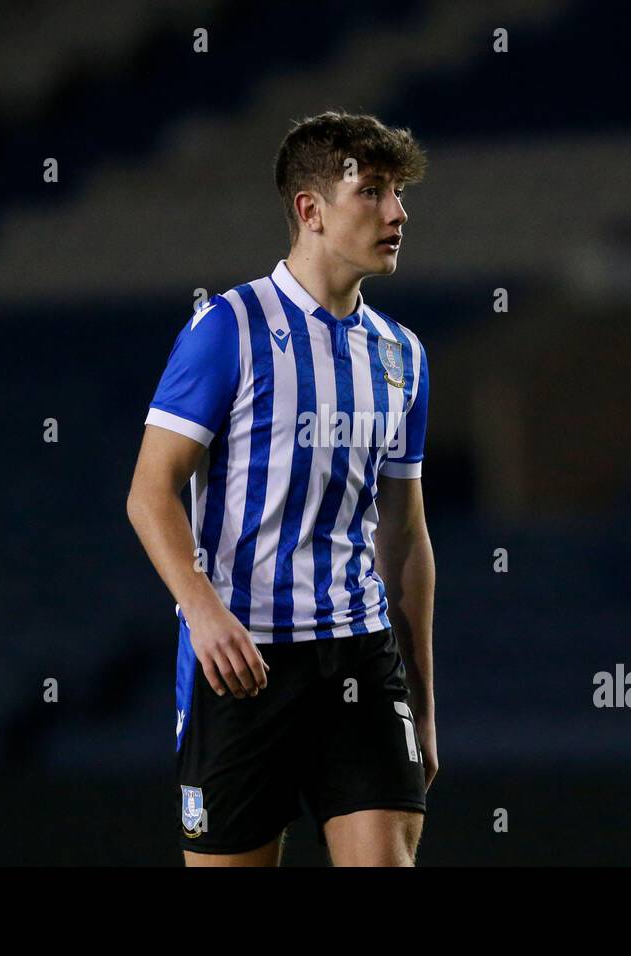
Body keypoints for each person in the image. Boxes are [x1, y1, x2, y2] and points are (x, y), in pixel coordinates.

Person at [126, 111, 436, 866]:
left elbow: (404, 536)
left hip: (361, 658)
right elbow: (149, 492)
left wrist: (422, 706)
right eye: (374, 192)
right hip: (243, 664)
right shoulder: (227, 328)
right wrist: (203, 613)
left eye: (399, 194)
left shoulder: (402, 356)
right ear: (311, 209)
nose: (397, 214)